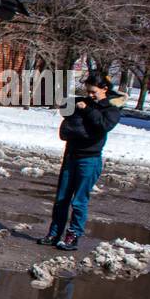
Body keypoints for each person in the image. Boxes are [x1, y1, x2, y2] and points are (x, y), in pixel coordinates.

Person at [39, 71, 124, 251]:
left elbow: (103, 125)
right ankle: (54, 233)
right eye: (88, 91)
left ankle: (73, 236)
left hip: (89, 159)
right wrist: (74, 105)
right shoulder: (81, 101)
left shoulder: (111, 109)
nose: (90, 95)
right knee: (61, 199)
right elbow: (64, 109)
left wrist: (87, 109)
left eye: (94, 92)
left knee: (79, 201)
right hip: (71, 156)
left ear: (105, 89)